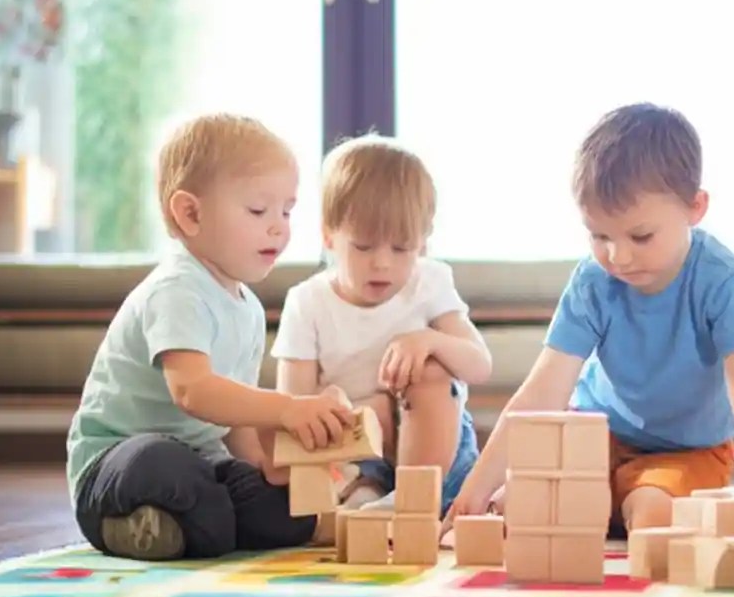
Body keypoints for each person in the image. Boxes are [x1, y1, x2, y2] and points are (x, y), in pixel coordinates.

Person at [445, 102, 734, 537]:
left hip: (690, 452)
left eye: (640, 236)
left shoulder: (721, 280)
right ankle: (602, 502)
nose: (617, 256)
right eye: (599, 235)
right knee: (520, 506)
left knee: (651, 516)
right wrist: (474, 491)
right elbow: (542, 391)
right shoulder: (592, 281)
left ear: (695, 208)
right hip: (597, 435)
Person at [67, 113, 353, 560]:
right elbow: (194, 392)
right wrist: (287, 410)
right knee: (165, 463)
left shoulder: (249, 309)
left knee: (285, 513)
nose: (279, 226)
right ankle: (127, 523)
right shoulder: (177, 289)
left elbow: (232, 418)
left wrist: (270, 466)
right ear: (191, 213)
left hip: (202, 462)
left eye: (287, 210)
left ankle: (180, 526)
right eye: (259, 210)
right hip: (117, 462)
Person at [272, 134, 491, 516]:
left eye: (402, 248)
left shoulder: (429, 282)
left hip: (440, 452)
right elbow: (294, 404)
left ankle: (415, 500)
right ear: (328, 235)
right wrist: (360, 413)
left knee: (431, 372)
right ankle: (371, 499)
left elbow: (479, 365)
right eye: (363, 247)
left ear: (423, 243)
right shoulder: (308, 302)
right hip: (355, 450)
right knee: (350, 421)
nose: (383, 264)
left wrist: (429, 340)